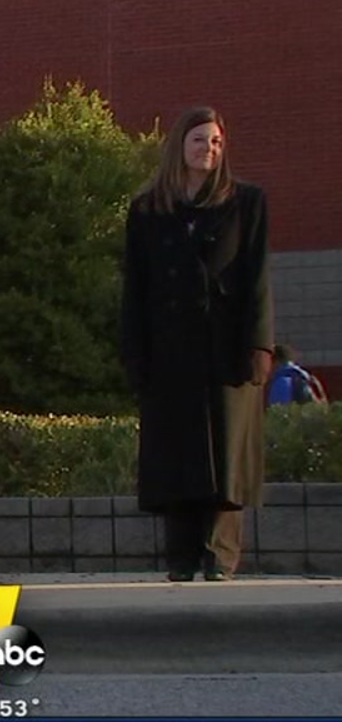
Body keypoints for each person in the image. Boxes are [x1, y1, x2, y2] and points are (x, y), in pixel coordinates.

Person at [121, 106, 273, 584]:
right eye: (198, 140)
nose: (207, 149)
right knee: (177, 453)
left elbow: (258, 278)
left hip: (226, 347)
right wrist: (135, 351)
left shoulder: (246, 203)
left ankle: (220, 557)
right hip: (169, 349)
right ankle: (181, 557)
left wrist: (259, 344)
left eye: (215, 142)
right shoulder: (149, 210)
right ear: (179, 147)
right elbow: (136, 288)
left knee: (226, 455)